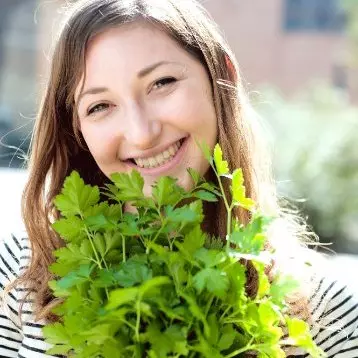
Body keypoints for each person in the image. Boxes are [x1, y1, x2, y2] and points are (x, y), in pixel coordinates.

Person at [1, 0, 357, 357]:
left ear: (223, 75)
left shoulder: (328, 314)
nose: (142, 134)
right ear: (77, 129)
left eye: (162, 83)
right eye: (100, 106)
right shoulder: (17, 277)